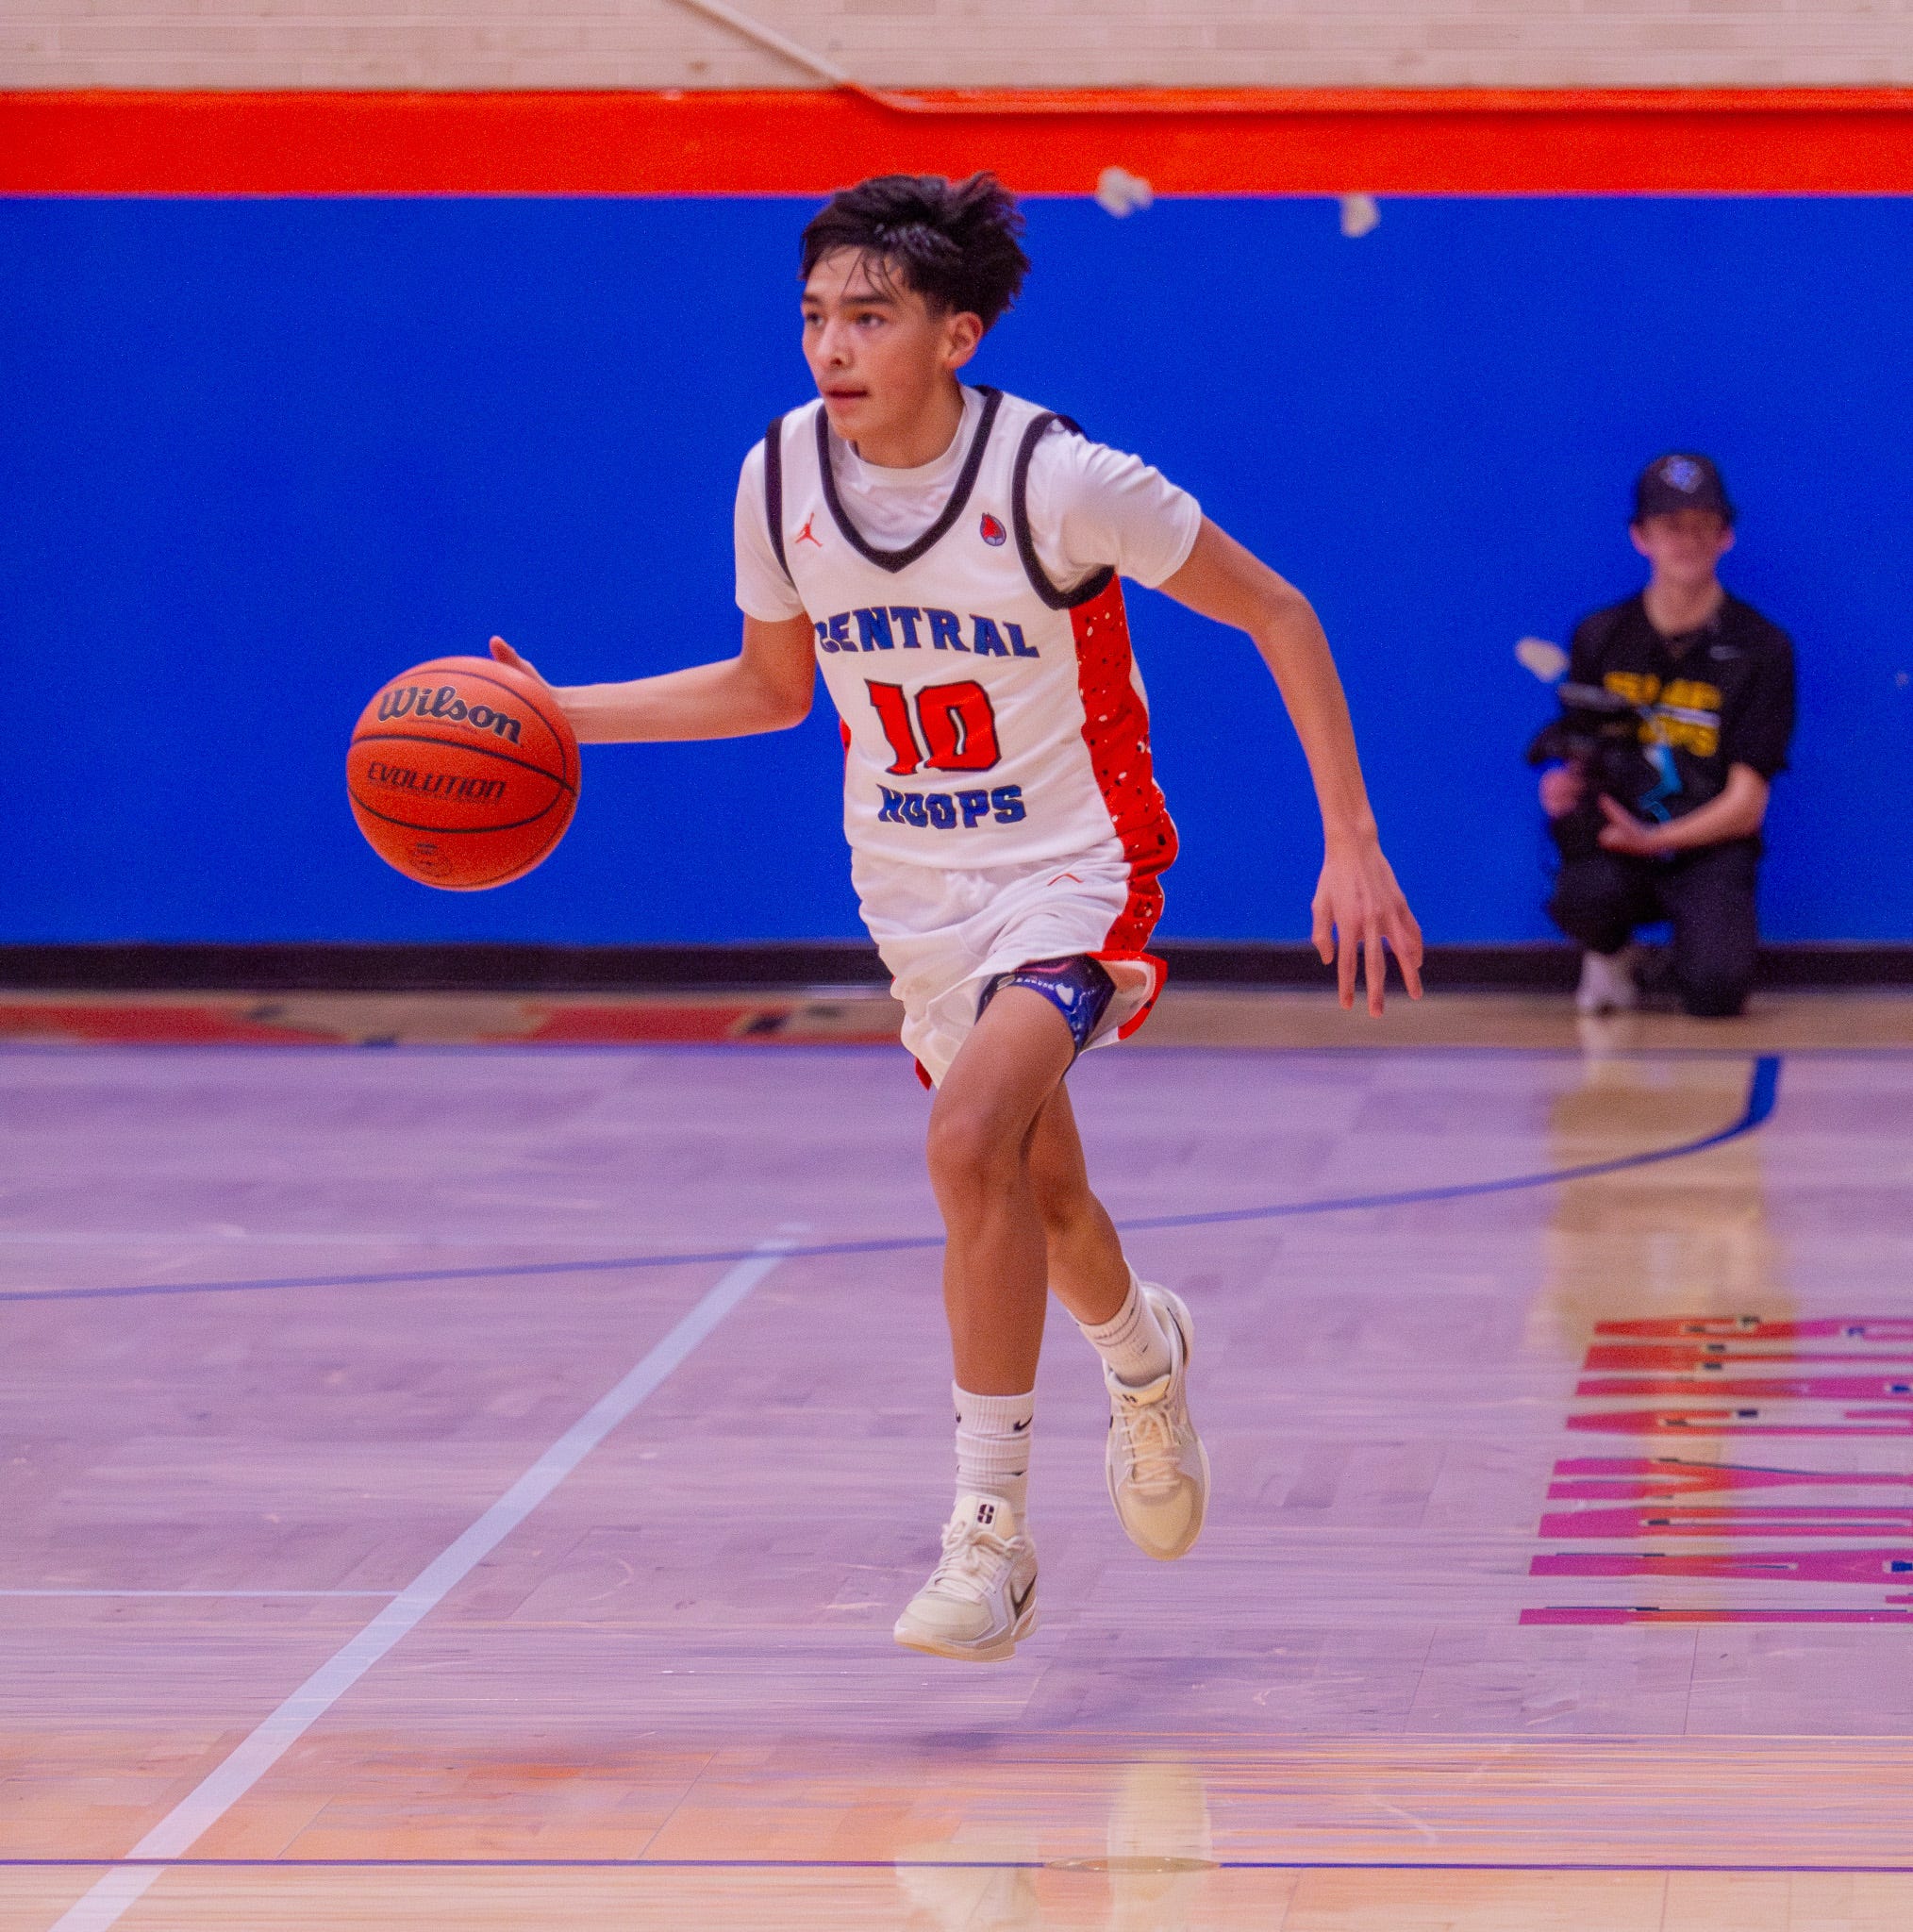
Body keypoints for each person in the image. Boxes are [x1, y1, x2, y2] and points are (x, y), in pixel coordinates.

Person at [490, 174, 1422, 1662]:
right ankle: (1143, 1352)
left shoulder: (1061, 482)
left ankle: (990, 1535)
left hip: (1074, 868)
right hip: (913, 889)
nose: (831, 349)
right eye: (813, 318)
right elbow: (772, 690)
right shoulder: (782, 475)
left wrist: (1351, 841)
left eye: (870, 316)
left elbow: (1281, 611)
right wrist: (558, 717)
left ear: (955, 333)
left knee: (964, 1141)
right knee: (1041, 1201)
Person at [1537, 453, 1795, 1019]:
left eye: (1702, 525)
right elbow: (1581, 752)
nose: (1687, 541)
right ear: (1640, 537)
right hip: (1616, 839)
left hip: (1710, 843)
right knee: (1581, 886)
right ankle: (1610, 950)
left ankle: (1681, 957)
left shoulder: (1763, 649)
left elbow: (1748, 805)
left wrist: (1658, 839)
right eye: (1670, 526)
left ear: (1726, 536)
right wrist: (1564, 788)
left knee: (1716, 992)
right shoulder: (1601, 636)